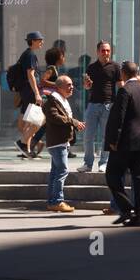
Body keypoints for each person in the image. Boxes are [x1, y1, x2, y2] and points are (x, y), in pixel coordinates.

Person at [104, 60, 140, 228]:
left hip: (125, 142)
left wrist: (112, 141)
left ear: (123, 74)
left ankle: (127, 209)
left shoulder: (125, 90)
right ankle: (138, 216)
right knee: (139, 179)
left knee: (112, 175)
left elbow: (118, 118)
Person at [41, 76, 85, 213]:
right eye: (68, 85)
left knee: (55, 172)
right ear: (59, 87)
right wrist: (73, 121)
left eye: (72, 84)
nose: (71, 87)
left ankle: (52, 201)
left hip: (61, 141)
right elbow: (54, 117)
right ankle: (57, 201)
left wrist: (74, 123)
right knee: (62, 171)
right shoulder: (52, 101)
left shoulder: (61, 100)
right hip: (57, 142)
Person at [79, 41, 120, 173]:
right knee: (88, 136)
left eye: (108, 50)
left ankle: (103, 162)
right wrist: (87, 84)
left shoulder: (115, 66)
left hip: (109, 105)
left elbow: (120, 85)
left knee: (106, 136)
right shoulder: (91, 67)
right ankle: (88, 163)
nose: (106, 53)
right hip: (93, 104)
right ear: (98, 52)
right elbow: (86, 87)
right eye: (103, 50)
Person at [10, 32, 44, 157]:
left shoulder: (26, 54)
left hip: (25, 92)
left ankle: (28, 148)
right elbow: (31, 75)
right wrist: (37, 94)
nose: (42, 42)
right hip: (30, 92)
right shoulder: (30, 55)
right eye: (40, 40)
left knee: (25, 121)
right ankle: (23, 143)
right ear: (33, 41)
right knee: (37, 120)